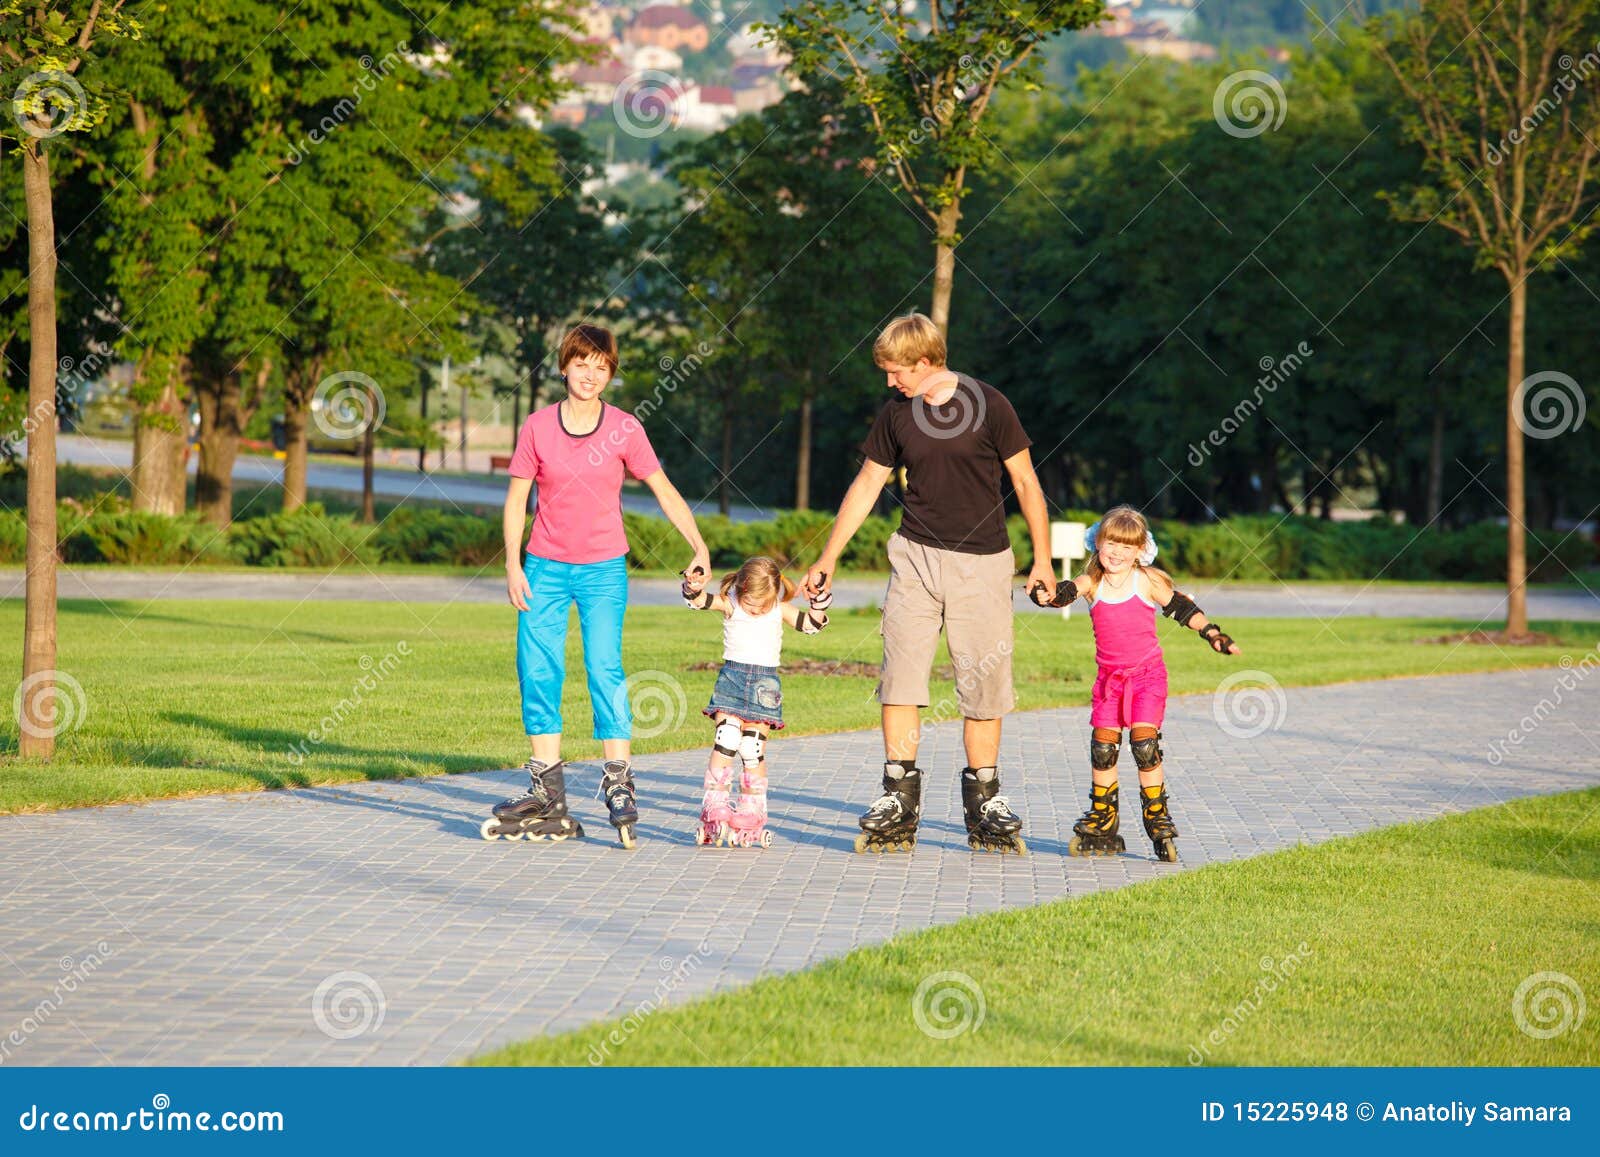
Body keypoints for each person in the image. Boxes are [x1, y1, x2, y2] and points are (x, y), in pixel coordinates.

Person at [802, 312, 1055, 855]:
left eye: (896, 371)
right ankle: (898, 796)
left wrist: (1043, 561)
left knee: (983, 685)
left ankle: (985, 800)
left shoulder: (990, 405)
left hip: (983, 563)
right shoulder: (897, 414)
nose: (890, 382)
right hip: (914, 558)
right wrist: (828, 556)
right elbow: (868, 483)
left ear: (924, 361)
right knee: (901, 676)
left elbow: (1026, 482)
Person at [481, 324, 710, 849]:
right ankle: (547, 790)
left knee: (604, 665)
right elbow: (517, 500)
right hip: (543, 566)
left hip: (605, 567)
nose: (590, 374)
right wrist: (513, 565)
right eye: (581, 363)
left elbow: (663, 488)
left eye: (601, 366)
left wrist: (697, 545)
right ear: (564, 366)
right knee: (537, 669)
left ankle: (618, 781)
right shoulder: (537, 427)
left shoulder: (626, 428)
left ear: (610, 373)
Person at [1029, 505, 1241, 861]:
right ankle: (1103, 816)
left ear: (1140, 550)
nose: (1117, 553)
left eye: (1127, 547)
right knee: (1103, 746)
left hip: (1147, 677)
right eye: (1111, 544)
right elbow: (1064, 592)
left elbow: (1183, 609)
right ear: (1098, 543)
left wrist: (1213, 634)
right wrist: (1044, 595)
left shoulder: (1147, 580)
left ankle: (1157, 815)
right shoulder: (1092, 581)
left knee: (1144, 745)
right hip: (1109, 680)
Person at [681, 557, 831, 848]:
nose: (756, 609)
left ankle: (752, 809)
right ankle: (715, 803)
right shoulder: (731, 602)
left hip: (765, 687)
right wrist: (693, 585)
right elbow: (699, 601)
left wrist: (819, 600)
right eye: (751, 603)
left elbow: (811, 624)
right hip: (732, 683)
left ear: (774, 593)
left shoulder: (778, 607)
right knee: (726, 739)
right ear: (740, 588)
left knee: (752, 748)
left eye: (763, 604)